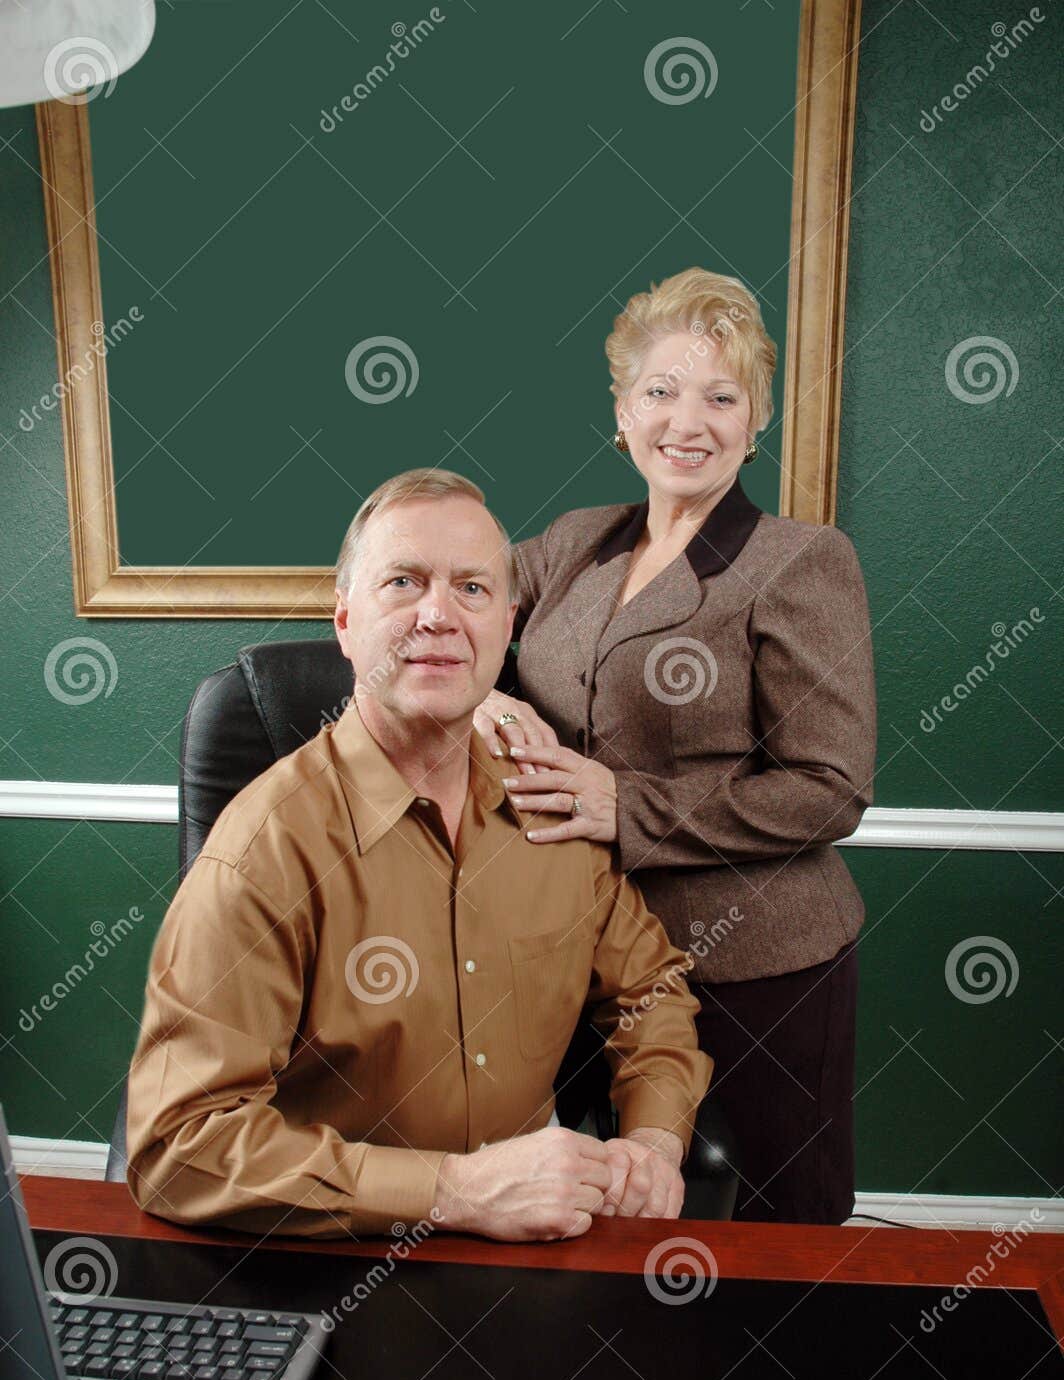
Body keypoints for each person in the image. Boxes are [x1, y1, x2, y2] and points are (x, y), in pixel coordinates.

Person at [125, 469, 712, 1243]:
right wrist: (455, 1191)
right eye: (404, 582)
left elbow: (652, 994)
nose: (438, 615)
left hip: (541, 1247)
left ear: (506, 629)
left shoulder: (546, 799)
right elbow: (178, 1147)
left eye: (471, 589)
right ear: (344, 622)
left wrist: (653, 1138)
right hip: (331, 1258)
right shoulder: (264, 849)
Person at [473, 268, 876, 1224]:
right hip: (581, 946)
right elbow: (445, 600)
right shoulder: (578, 539)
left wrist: (625, 805)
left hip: (753, 961)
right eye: (661, 391)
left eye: (721, 396)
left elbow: (831, 787)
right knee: (607, 1211)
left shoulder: (800, 561)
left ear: (753, 422)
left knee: (784, 1228)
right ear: (622, 410)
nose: (687, 420)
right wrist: (486, 702)